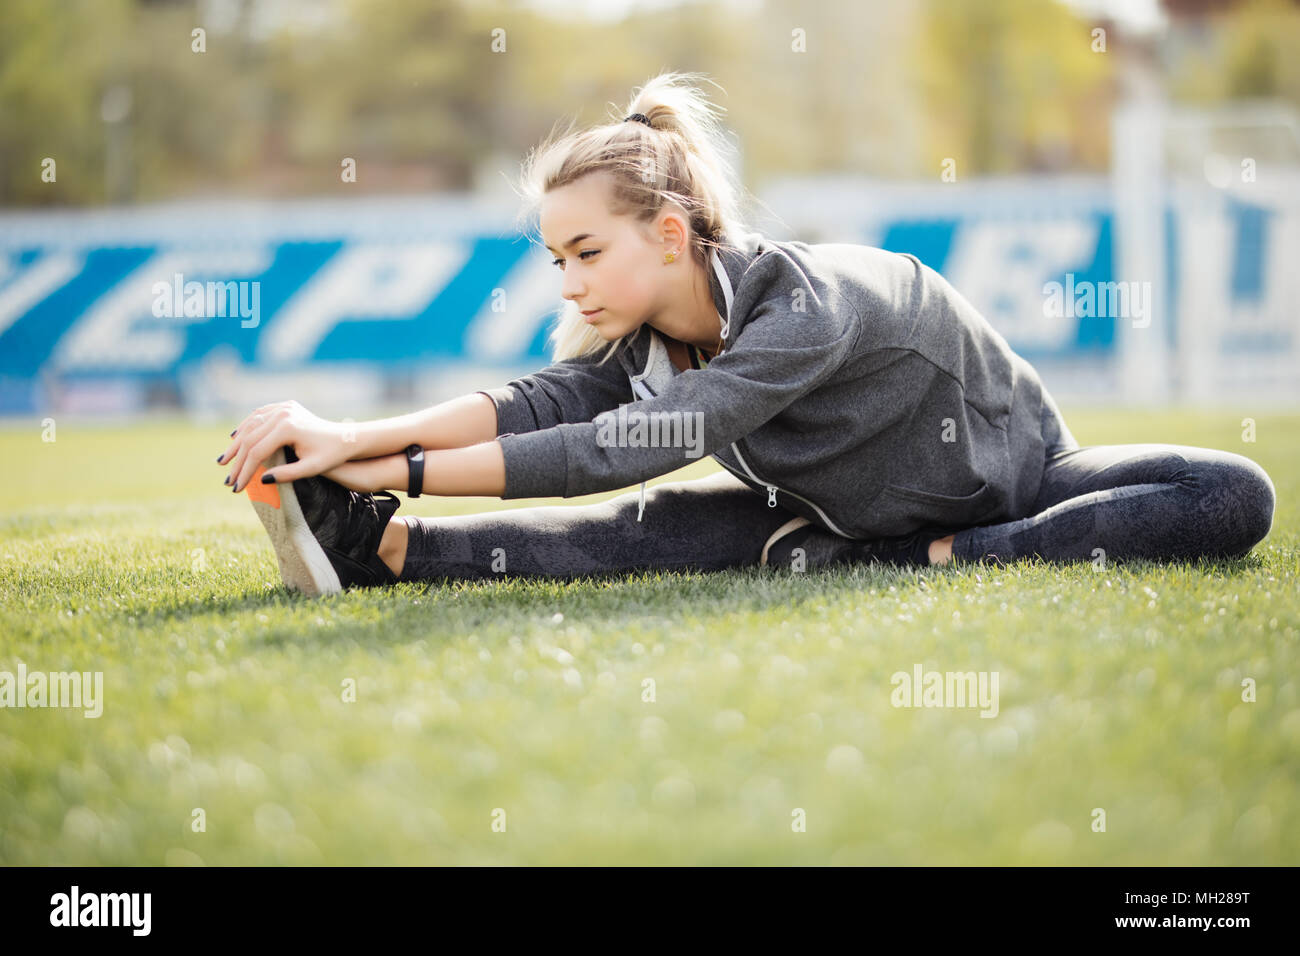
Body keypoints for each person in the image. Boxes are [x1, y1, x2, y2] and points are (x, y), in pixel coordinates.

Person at [216, 72, 1275, 596]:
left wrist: (382, 456)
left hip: (1015, 481)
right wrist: (353, 440)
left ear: (668, 234)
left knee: (1232, 494)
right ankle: (378, 547)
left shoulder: (797, 307)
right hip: (824, 515)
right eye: (556, 260)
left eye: (588, 252)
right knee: (645, 534)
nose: (570, 281)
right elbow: (545, 404)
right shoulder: (648, 329)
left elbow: (612, 446)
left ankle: (941, 556)